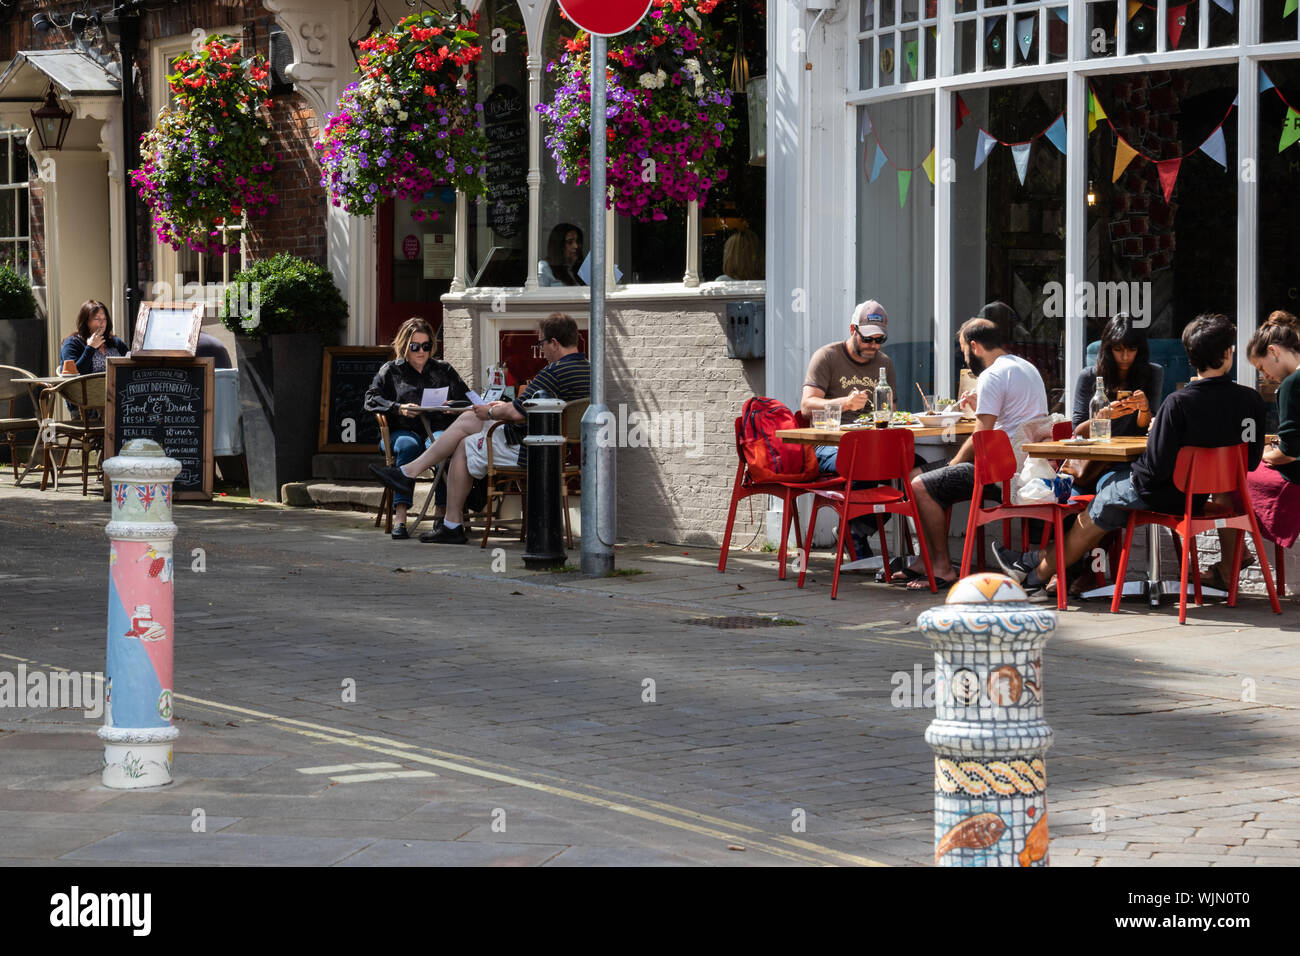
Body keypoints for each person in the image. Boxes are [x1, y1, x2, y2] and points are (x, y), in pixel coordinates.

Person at [994, 313, 1267, 595]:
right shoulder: (1252, 400)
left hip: (1164, 494)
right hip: (1198, 497)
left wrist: (1135, 468)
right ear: (1226, 354)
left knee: (1105, 498)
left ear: (1190, 356)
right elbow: (1252, 459)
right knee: (1108, 495)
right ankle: (1034, 566)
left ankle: (1035, 575)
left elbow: (1157, 468)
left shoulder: (1178, 404)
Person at [370, 312, 590, 544]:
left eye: (542, 343)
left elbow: (516, 413)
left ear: (554, 343)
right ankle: (436, 506)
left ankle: (438, 509)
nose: (542, 350)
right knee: (468, 425)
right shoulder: (586, 369)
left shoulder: (553, 372)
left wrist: (492, 411)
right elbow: (523, 407)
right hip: (561, 449)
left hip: (531, 449)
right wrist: (501, 407)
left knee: (464, 439)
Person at [901, 317, 1049, 590]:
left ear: (974, 346)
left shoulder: (992, 374)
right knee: (917, 474)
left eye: (963, 350)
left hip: (1002, 473)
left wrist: (952, 466)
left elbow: (982, 436)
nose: (965, 358)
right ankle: (925, 560)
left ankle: (943, 569)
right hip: (1025, 467)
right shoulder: (1025, 367)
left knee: (920, 485)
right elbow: (1012, 419)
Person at [1203, 310, 1300, 587]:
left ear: (1273, 351)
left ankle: (1228, 565)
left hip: (1293, 481)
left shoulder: (1291, 384)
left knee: (1227, 479)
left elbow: (1288, 453)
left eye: (1261, 367)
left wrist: (1264, 456)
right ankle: (1237, 555)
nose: (1265, 376)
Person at [800, 300, 898, 558]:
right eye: (868, 340)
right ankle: (855, 536)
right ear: (853, 329)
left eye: (880, 340)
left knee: (911, 470)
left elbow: (892, 410)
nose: (873, 347)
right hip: (828, 446)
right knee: (865, 463)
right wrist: (843, 403)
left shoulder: (884, 363)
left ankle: (855, 531)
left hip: (869, 445)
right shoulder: (827, 356)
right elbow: (807, 406)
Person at [364, 317, 470, 540]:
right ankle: (400, 517)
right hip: (400, 431)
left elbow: (467, 397)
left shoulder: (443, 369)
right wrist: (399, 408)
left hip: (436, 428)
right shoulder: (391, 370)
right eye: (415, 346)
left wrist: (453, 406)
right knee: (408, 446)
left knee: (444, 447)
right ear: (404, 346)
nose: (421, 351)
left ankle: (443, 515)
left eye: (426, 346)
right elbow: (370, 400)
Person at [1072, 313, 1163, 439]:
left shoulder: (1152, 373)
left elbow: (1148, 428)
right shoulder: (1089, 376)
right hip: (1099, 453)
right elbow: (1078, 432)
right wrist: (1102, 418)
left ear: (1139, 350)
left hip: (1137, 453)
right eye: (1118, 349)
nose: (1125, 357)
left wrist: (1144, 408)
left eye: (1131, 350)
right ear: (1108, 349)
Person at [60, 300, 128, 374]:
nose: (102, 322)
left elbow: (130, 364)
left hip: (117, 385)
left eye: (104, 319)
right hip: (86, 385)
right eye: (97, 318)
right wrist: (90, 348)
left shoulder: (115, 342)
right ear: (86, 321)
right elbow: (74, 375)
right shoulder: (72, 343)